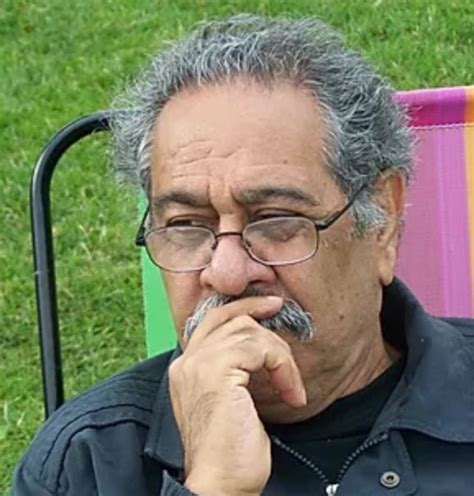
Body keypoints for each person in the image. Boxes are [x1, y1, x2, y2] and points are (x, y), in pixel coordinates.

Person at [13, 14, 474, 496]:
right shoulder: (87, 466)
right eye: (186, 225)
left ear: (382, 221)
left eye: (275, 219)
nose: (228, 274)